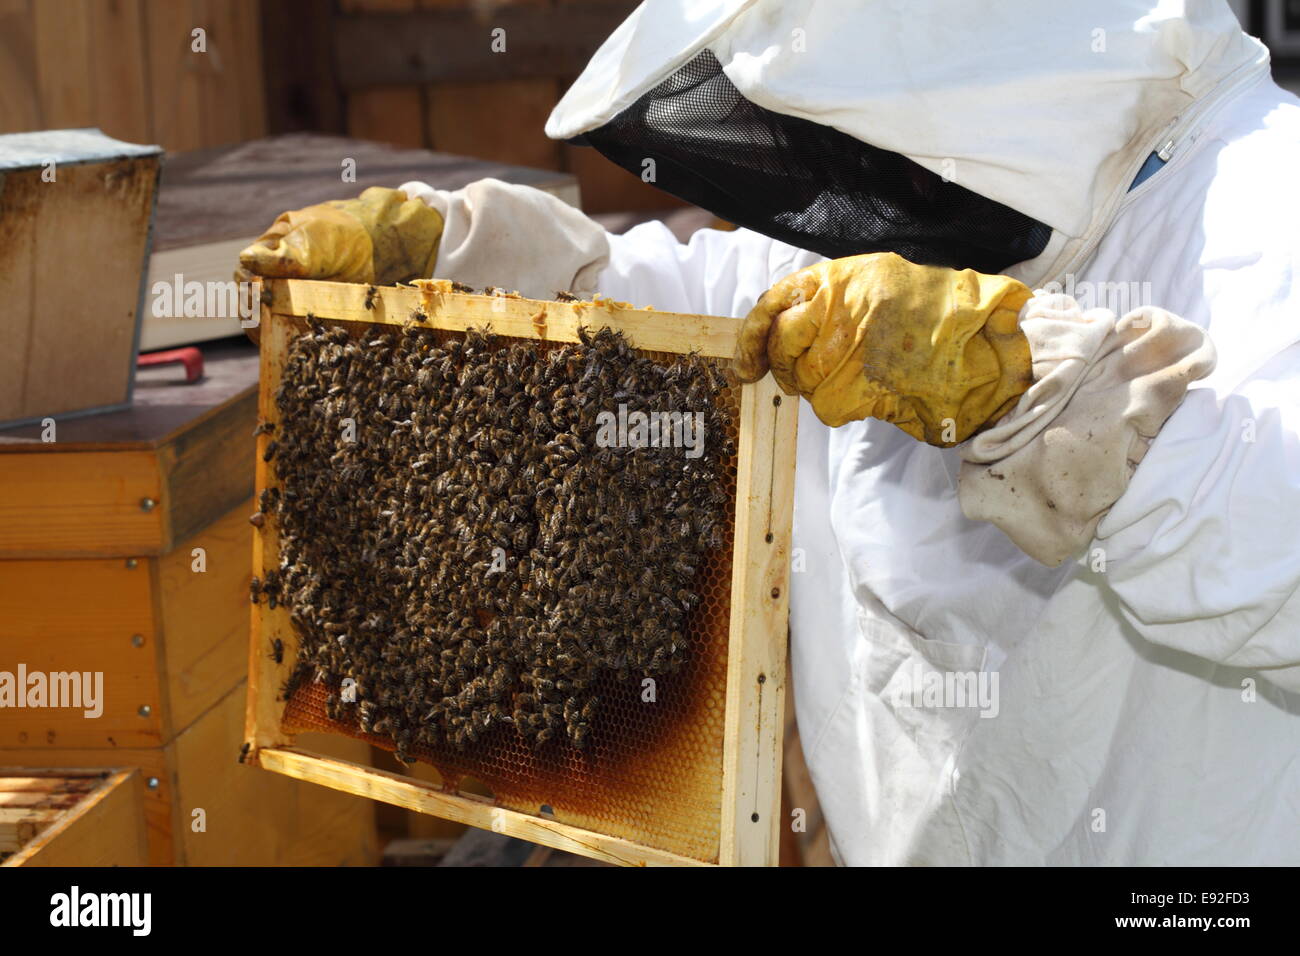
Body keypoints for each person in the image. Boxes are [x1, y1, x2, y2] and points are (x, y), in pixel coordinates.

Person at [240, 0, 1300, 864]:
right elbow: (707, 313)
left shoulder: (1270, 207)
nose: (847, 175)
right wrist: (465, 259)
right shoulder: (939, 198)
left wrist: (1047, 395)